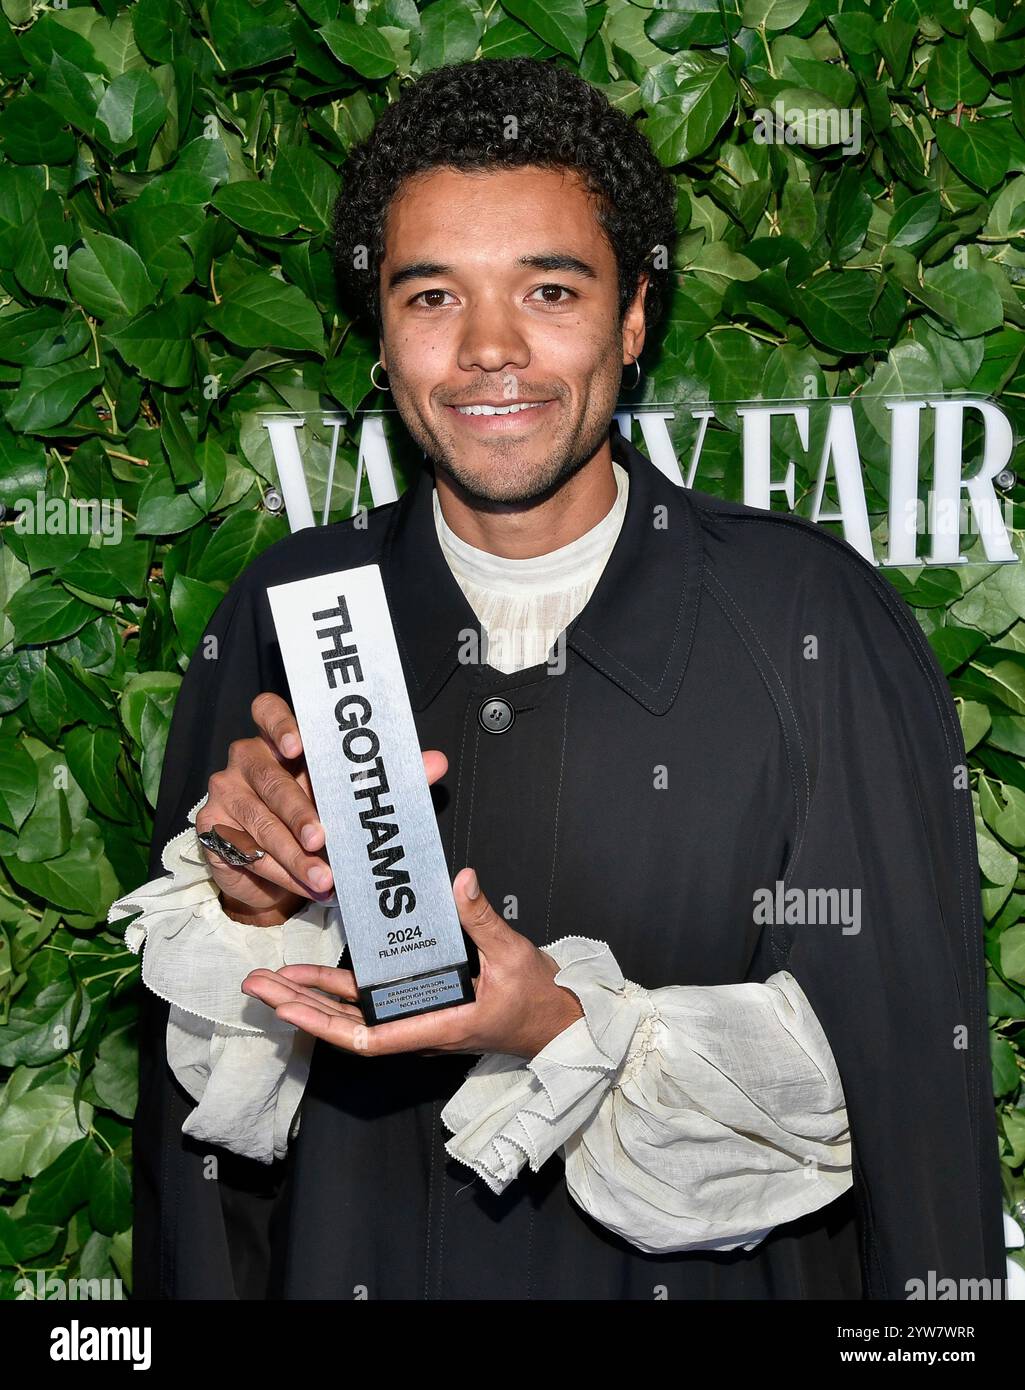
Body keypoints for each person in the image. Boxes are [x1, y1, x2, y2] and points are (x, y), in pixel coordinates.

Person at [110, 57, 1006, 1300]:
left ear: (633, 317)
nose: (489, 350)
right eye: (432, 296)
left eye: (547, 288)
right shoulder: (288, 611)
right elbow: (204, 1164)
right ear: (382, 327)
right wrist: (252, 917)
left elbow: (904, 1099)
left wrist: (560, 1029)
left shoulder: (810, 616)